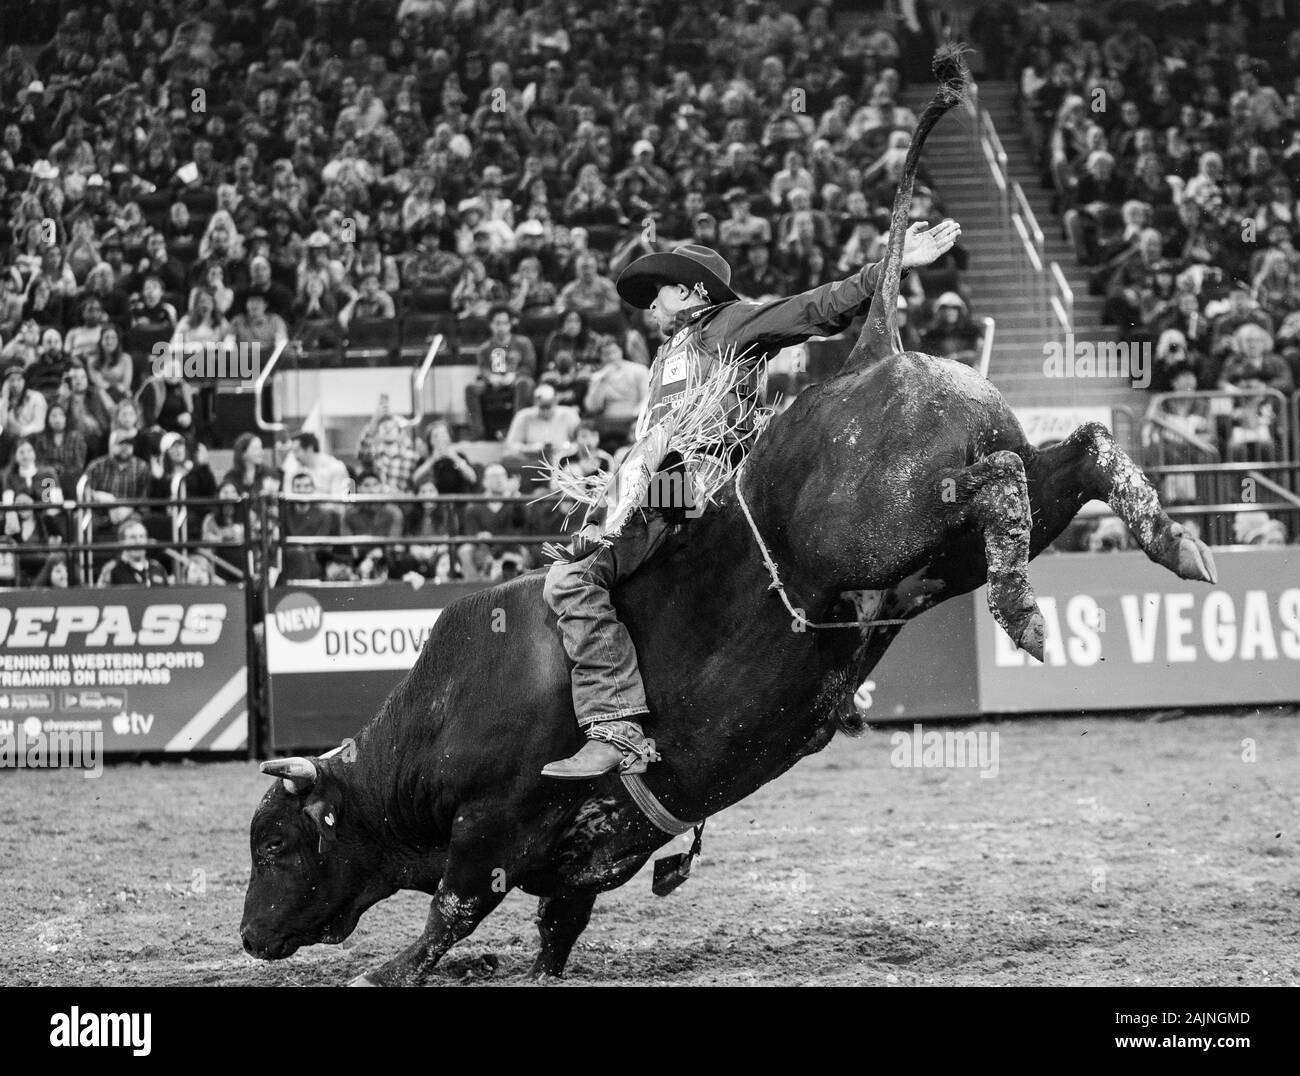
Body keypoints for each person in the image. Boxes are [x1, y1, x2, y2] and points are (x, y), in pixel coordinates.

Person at [540, 223, 962, 779]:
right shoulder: (672, 351)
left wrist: (892, 265)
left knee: (571, 580)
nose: (651, 306)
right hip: (672, 486)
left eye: (659, 292)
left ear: (692, 292)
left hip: (695, 487)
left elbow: (814, 308)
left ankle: (616, 724)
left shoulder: (728, 324)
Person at [465, 305, 538, 440]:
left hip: (518, 380)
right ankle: (478, 433)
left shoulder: (523, 343)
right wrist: (491, 377)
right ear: (491, 325)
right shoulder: (484, 348)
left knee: (524, 383)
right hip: (493, 382)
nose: (501, 327)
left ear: (510, 324)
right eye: (497, 323)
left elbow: (529, 367)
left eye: (505, 323)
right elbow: (483, 369)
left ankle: (518, 430)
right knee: (471, 388)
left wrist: (514, 375)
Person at [97, 514, 170, 586]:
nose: (138, 541)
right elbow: (101, 596)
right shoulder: (111, 569)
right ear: (122, 542)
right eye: (132, 537)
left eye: (142, 536)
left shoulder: (157, 567)